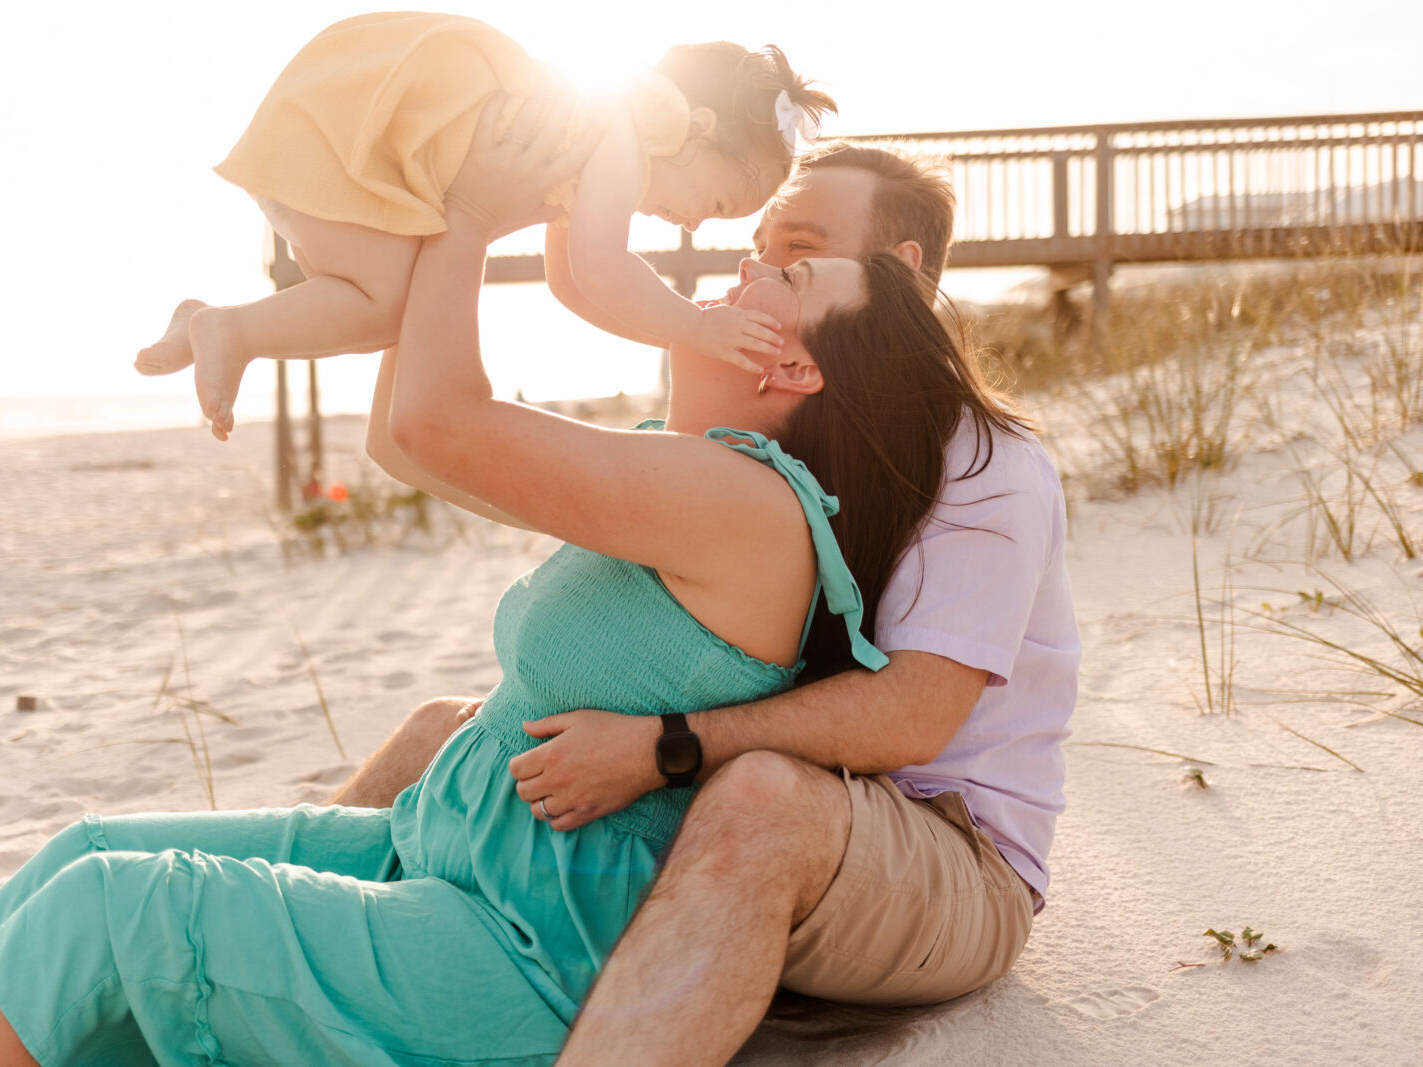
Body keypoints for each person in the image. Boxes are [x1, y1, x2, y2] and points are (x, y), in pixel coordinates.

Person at [0, 100, 1008, 1067]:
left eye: (782, 280)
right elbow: (408, 438)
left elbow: (440, 420)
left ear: (788, 360)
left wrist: (466, 215)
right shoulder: (682, 468)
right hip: (434, 854)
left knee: (121, 907)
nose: (742, 272)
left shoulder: (748, 507)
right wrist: (448, 235)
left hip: (512, 947)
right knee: (88, 850)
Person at [340, 140, 1080, 1066]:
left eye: (797, 255)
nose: (758, 270)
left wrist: (666, 748)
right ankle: (281, 929)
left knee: (760, 800)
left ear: (893, 273)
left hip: (946, 851)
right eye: (762, 245)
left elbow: (914, 716)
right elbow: (422, 443)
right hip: (757, 788)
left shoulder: (983, 463)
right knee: (456, 731)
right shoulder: (764, 434)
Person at [132, 11, 835, 441]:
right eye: (713, 205)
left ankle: (208, 319)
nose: (691, 226)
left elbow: (571, 284)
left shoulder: (597, 137)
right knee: (394, 305)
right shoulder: (625, 128)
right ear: (697, 129)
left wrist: (674, 330)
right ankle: (231, 330)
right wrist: (695, 327)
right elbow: (601, 266)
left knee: (392, 305)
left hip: (338, 137)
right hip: (344, 142)